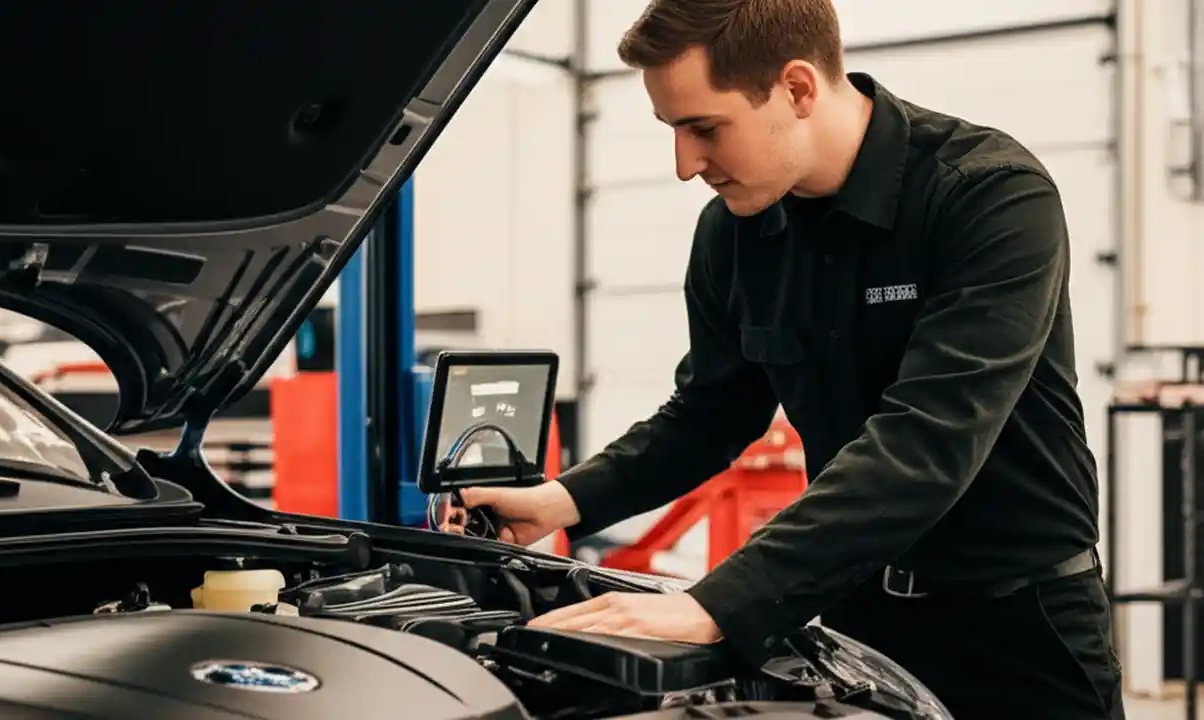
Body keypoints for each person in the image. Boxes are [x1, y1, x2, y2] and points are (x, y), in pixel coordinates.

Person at [459, 0, 1124, 717]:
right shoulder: (734, 234)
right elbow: (710, 414)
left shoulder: (987, 194)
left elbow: (929, 439)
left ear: (798, 89)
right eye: (672, 131)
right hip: (856, 620)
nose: (686, 166)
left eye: (704, 128)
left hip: (1020, 631)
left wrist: (721, 602)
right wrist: (561, 500)